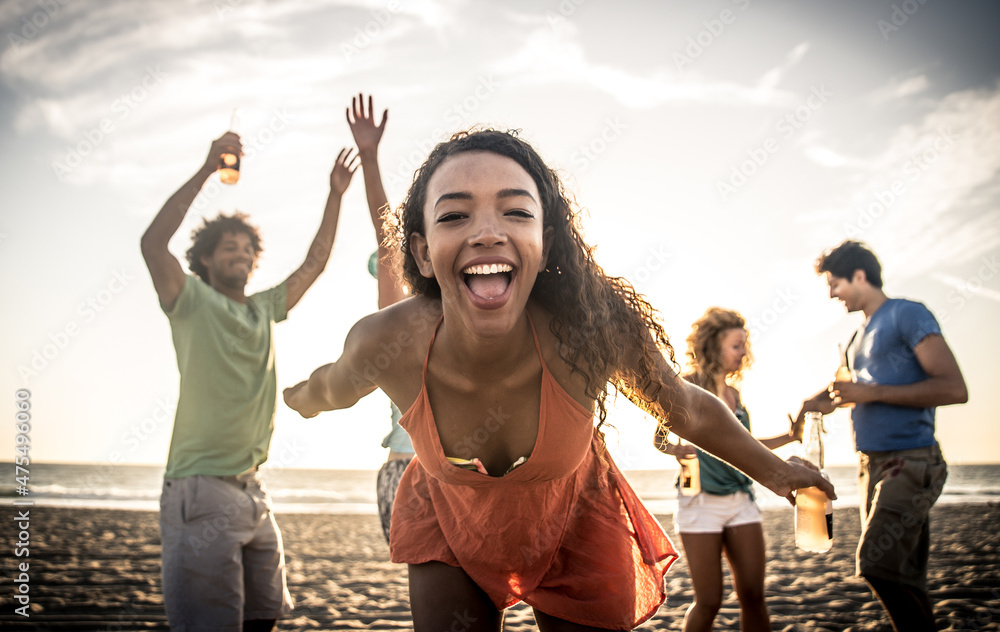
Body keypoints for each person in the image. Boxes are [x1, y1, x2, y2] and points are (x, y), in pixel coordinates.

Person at [283, 128, 835, 631]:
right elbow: (330, 387)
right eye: (454, 216)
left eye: (515, 213)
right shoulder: (389, 342)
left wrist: (779, 473)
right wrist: (298, 399)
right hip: (448, 523)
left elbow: (685, 407)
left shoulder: (589, 327)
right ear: (424, 253)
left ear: (545, 242)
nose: (487, 233)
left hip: (576, 518)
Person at [141, 131, 358, 631]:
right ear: (207, 259)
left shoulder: (264, 309)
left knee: (265, 616)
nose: (239, 252)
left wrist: (335, 193)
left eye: (246, 247)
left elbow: (315, 264)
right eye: (228, 247)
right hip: (200, 488)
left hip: (253, 490)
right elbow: (152, 244)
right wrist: (206, 167)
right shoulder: (191, 301)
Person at [815, 240, 968, 632]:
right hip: (871, 467)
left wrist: (872, 393)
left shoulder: (906, 314)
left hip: (911, 461)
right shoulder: (855, 338)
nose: (831, 293)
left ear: (860, 276)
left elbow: (954, 388)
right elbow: (850, 392)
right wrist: (812, 405)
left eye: (835, 283)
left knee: (875, 565)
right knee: (905, 578)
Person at [654, 307, 829, 632]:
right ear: (712, 346)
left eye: (744, 345)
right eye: (736, 345)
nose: (743, 352)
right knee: (709, 601)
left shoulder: (735, 394)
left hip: (741, 501)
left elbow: (747, 445)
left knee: (753, 595)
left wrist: (790, 437)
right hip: (698, 502)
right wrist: (676, 449)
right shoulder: (688, 385)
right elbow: (659, 436)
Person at [345, 92, 416, 543]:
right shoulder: (403, 322)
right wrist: (369, 159)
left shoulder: (478, 312)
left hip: (473, 472)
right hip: (411, 472)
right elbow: (387, 236)